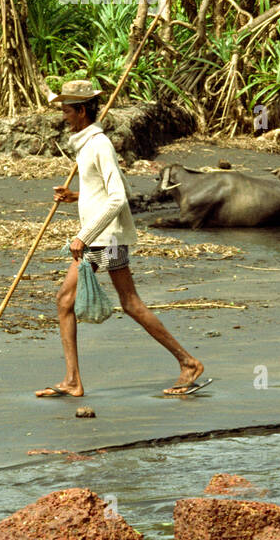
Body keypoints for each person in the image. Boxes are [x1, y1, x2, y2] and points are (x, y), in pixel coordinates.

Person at [35, 79, 206, 399]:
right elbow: (103, 192)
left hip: (104, 239)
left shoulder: (99, 145)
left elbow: (118, 199)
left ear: (82, 111)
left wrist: (84, 235)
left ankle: (188, 362)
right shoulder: (87, 143)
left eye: (67, 111)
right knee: (85, 302)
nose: (63, 117)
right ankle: (73, 380)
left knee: (104, 302)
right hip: (99, 238)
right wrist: (76, 196)